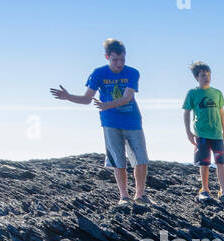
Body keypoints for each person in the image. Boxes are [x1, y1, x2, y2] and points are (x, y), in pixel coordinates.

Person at [49, 38, 149, 206]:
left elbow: (127, 98)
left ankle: (140, 195)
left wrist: (106, 105)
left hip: (132, 121)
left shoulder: (132, 73)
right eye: (115, 60)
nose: (119, 64)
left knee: (141, 158)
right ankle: (124, 196)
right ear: (107, 57)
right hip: (110, 122)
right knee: (118, 159)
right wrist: (67, 97)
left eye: (122, 60)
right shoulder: (98, 73)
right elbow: (87, 99)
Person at [182, 61, 224, 203]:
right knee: (204, 163)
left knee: (221, 162)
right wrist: (189, 132)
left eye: (208, 75)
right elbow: (186, 112)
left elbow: (222, 114)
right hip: (201, 135)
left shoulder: (217, 93)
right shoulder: (192, 93)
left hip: (217, 135)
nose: (206, 77)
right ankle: (205, 189)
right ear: (197, 77)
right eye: (203, 75)